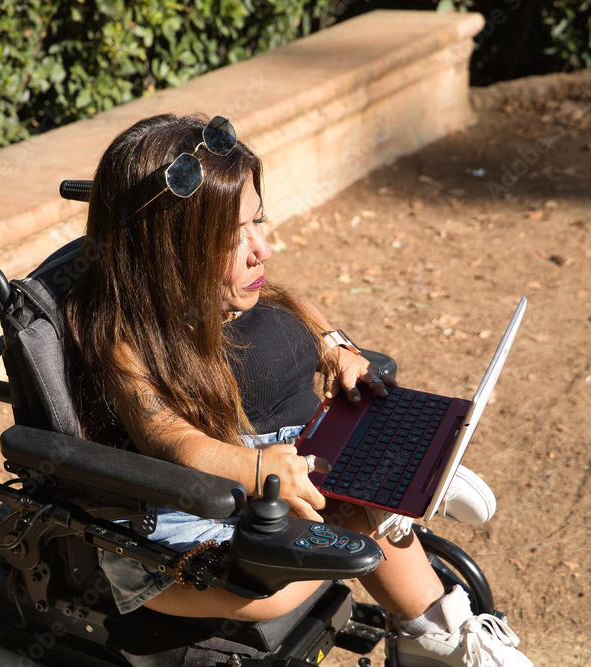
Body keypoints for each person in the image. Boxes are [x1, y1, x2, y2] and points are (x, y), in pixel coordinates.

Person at [63, 113, 532, 667]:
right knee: (352, 514)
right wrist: (258, 468)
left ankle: (433, 614)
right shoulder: (127, 342)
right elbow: (173, 440)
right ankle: (402, 493)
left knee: (349, 488)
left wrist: (335, 346)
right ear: (166, 254)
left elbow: (294, 303)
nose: (262, 249)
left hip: (280, 463)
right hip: (191, 525)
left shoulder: (228, 297)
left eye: (258, 221)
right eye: (233, 239)